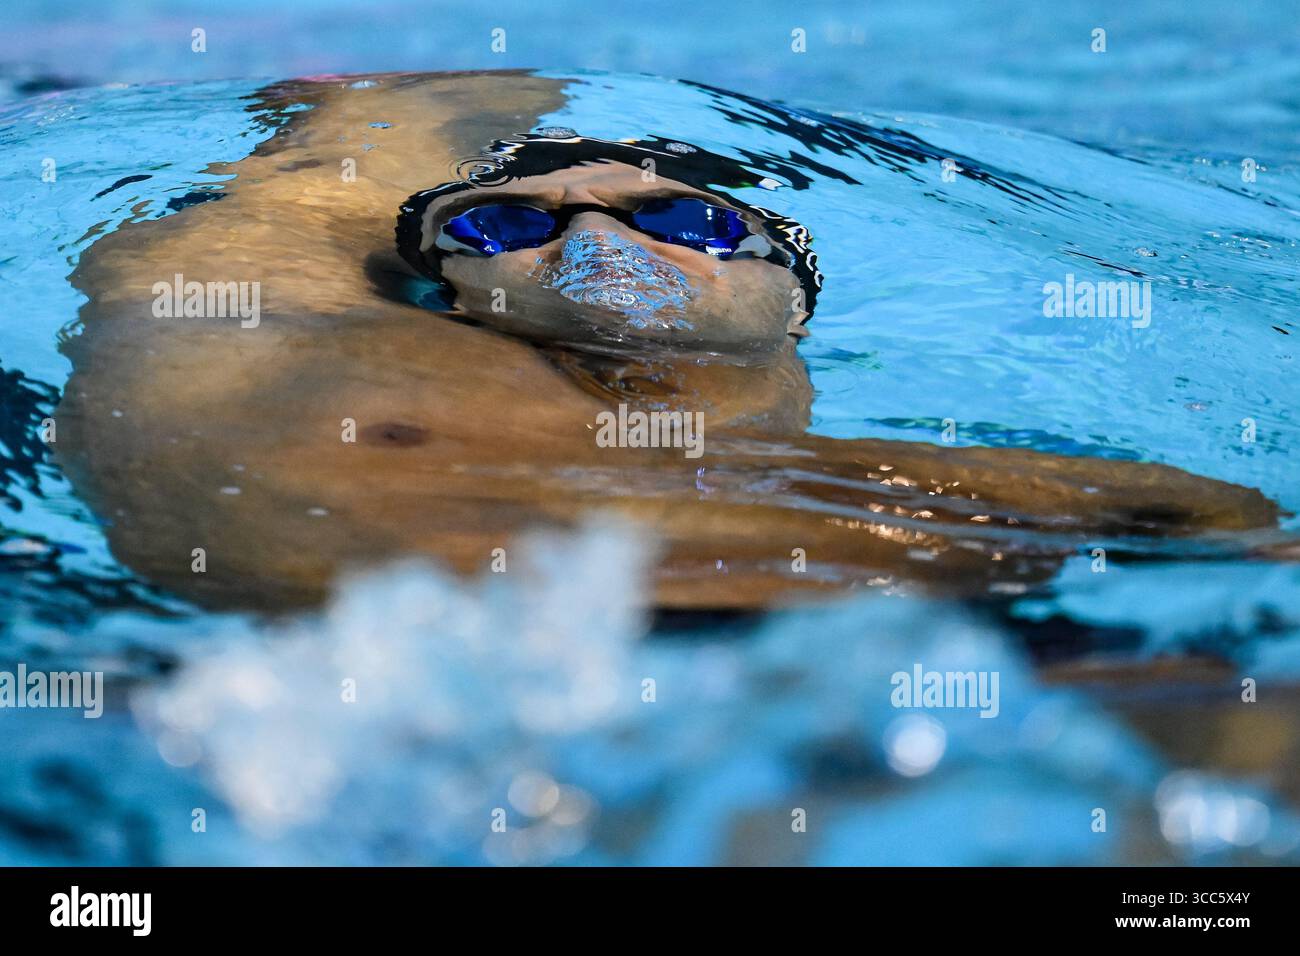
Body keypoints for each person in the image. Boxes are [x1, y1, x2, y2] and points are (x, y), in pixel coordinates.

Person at [55, 72, 1278, 611]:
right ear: (439, 280)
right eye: (507, 221)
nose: (592, 238)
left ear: (790, 297)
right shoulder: (299, 326)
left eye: (682, 220)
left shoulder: (966, 485)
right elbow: (357, 137)